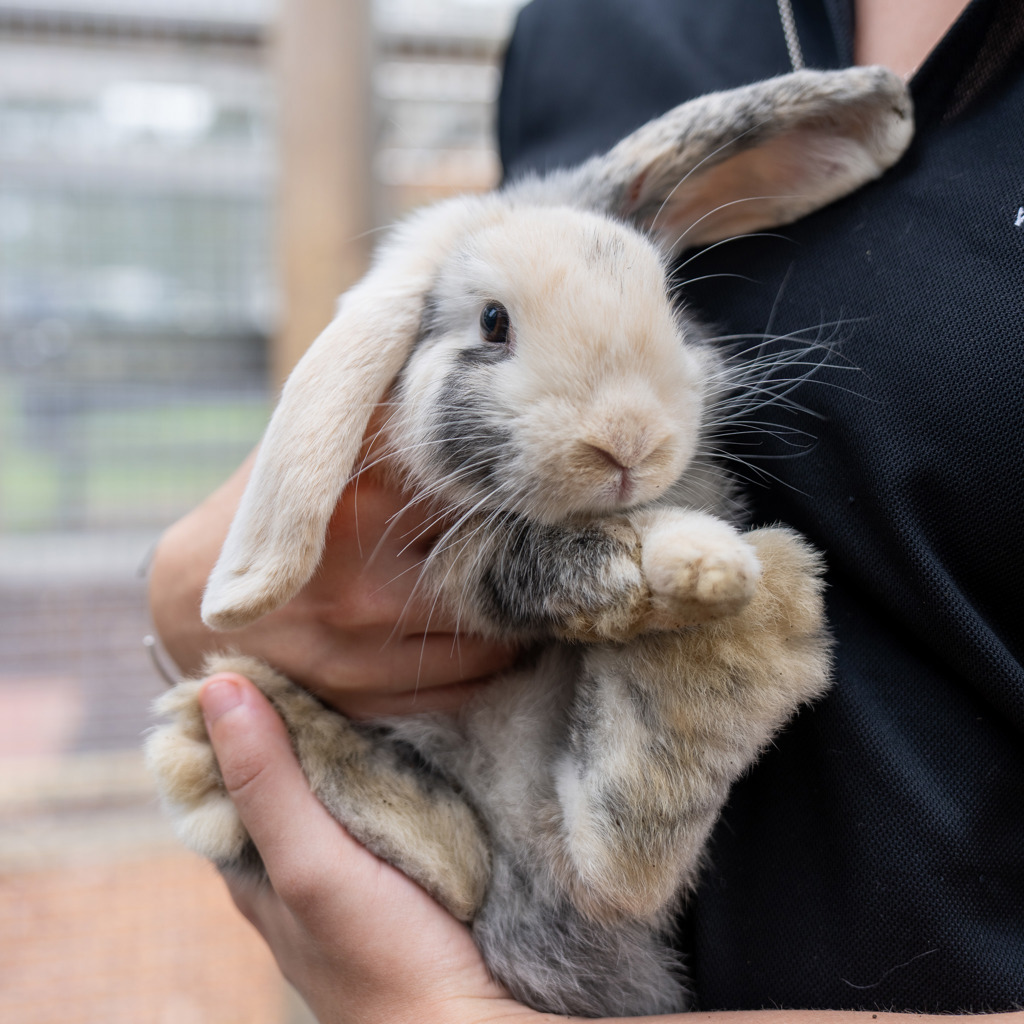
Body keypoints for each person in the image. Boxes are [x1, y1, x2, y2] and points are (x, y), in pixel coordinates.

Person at [148, 0, 1024, 1020]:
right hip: (483, 813)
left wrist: (443, 1006)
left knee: (751, 611)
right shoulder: (584, 26)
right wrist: (188, 591)